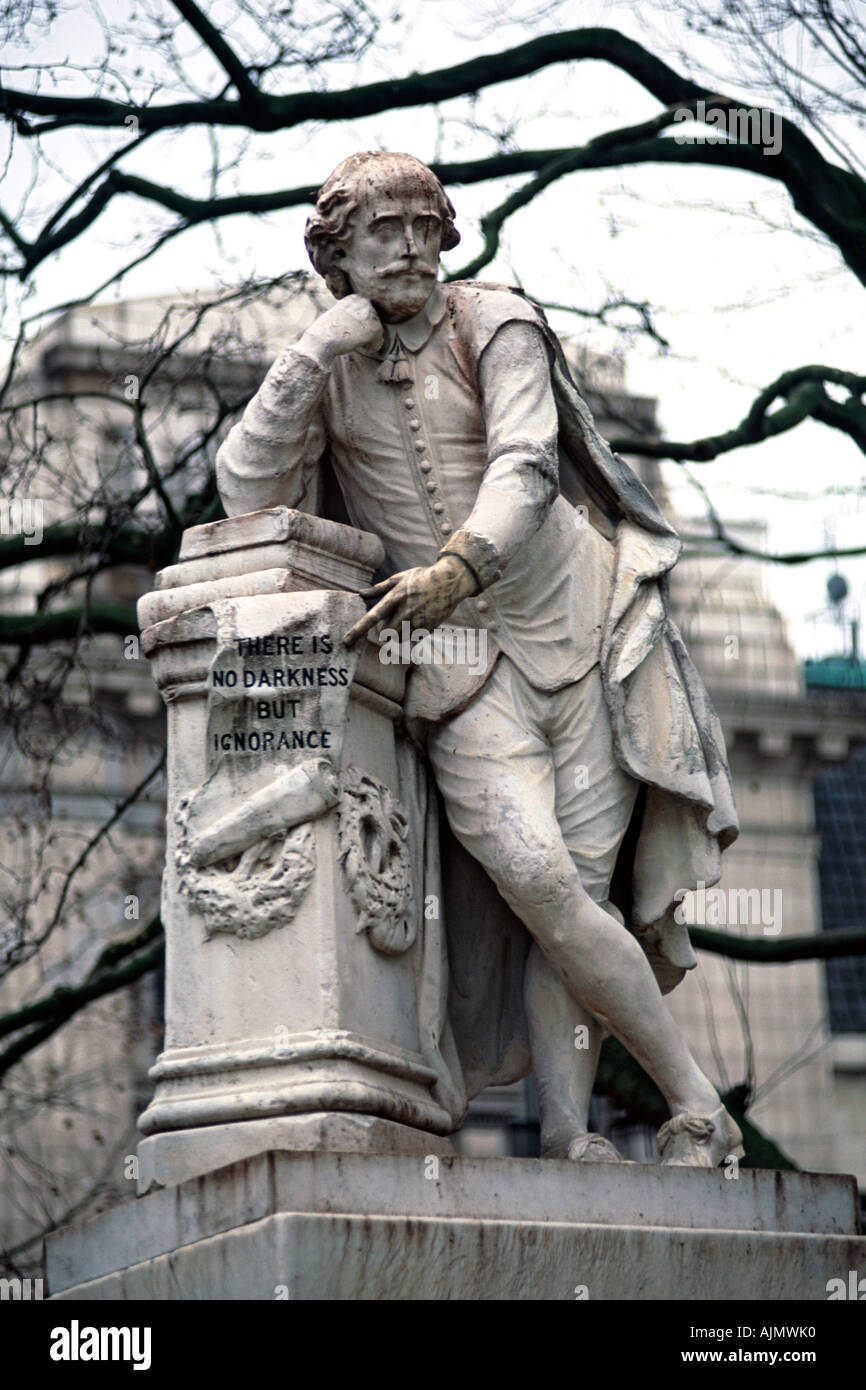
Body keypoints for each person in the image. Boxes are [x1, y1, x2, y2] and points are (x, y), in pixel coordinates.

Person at [216, 151, 743, 1166]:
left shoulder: (493, 319)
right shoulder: (328, 366)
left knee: (575, 901)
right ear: (337, 250)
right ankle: (697, 1102)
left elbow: (526, 463)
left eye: (425, 225)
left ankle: (564, 1132)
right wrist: (319, 343)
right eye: (383, 230)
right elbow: (243, 491)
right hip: (457, 670)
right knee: (536, 877)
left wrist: (457, 567)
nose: (411, 245)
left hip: (585, 636)